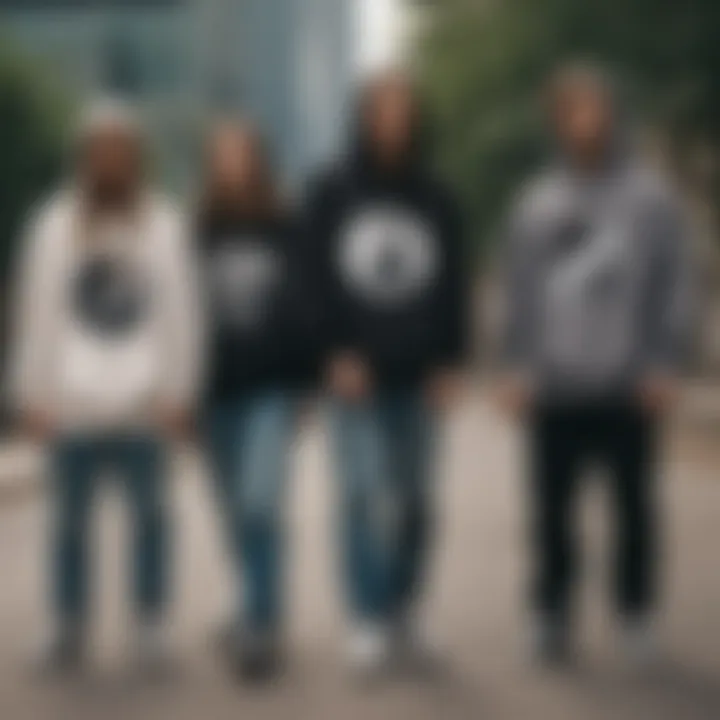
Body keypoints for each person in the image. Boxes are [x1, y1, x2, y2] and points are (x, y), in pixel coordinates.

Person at [497, 63, 691, 666]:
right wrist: (514, 364)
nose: (586, 121)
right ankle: (551, 614)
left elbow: (677, 282)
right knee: (551, 513)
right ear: (558, 122)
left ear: (612, 116)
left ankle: (635, 616)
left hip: (628, 384)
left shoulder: (650, 199)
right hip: (554, 386)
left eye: (595, 109)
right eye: (572, 111)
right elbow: (518, 289)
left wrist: (665, 362)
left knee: (635, 511)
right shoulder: (535, 203)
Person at [9, 99, 200, 674]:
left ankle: (150, 627)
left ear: (136, 158)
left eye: (121, 150)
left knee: (151, 521)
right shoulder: (53, 224)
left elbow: (182, 312)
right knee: (67, 526)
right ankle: (67, 627)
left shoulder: (163, 224)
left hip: (144, 405)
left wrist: (179, 392)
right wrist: (31, 394)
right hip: (72, 405)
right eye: (100, 150)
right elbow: (36, 313)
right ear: (86, 158)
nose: (110, 160)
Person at [305, 71, 467, 675]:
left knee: (419, 500)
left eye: (404, 109)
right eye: (382, 110)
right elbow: (313, 281)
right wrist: (334, 352)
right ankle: (368, 616)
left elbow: (453, 285)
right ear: (365, 118)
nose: (393, 121)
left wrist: (452, 362)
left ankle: (406, 608)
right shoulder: (331, 192)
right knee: (365, 496)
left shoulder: (437, 197)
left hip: (422, 375)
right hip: (355, 377)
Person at [197, 121, 318, 681]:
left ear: (258, 161)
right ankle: (250, 597)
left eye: (242, 153)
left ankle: (260, 629)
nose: (232, 164)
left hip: (270, 387)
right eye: (222, 154)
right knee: (233, 511)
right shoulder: (196, 228)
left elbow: (308, 307)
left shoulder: (287, 226)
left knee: (260, 503)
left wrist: (305, 383)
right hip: (211, 392)